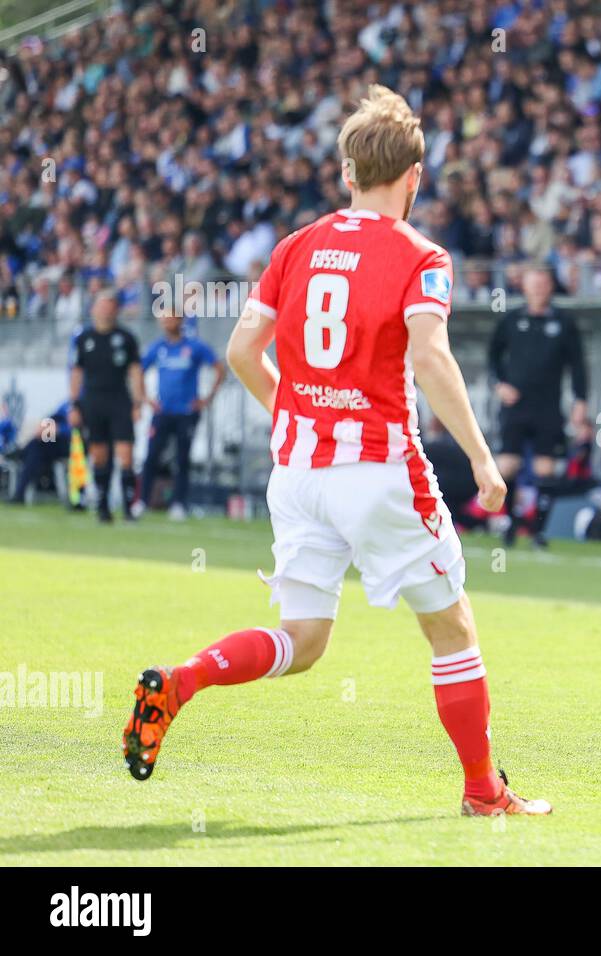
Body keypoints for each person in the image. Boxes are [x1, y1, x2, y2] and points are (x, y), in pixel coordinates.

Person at [120, 85, 550, 816]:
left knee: (303, 638)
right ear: (414, 176)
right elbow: (432, 358)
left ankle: (182, 679)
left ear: (346, 174)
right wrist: (480, 456)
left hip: (297, 474)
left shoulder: (295, 247)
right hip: (380, 471)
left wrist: (298, 413)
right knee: (451, 628)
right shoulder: (422, 256)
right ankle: (483, 791)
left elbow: (243, 352)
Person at [488, 266, 588, 547]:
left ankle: (538, 531)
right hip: (516, 406)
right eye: (534, 284)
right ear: (525, 287)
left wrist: (581, 399)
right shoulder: (511, 320)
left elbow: (578, 365)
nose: (539, 289)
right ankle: (509, 524)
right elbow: (493, 357)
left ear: (550, 287)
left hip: (548, 407)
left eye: (543, 284)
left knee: (546, 470)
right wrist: (500, 384)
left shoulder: (564, 322)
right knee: (507, 466)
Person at [137, 310, 226, 518]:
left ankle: (178, 504)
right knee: (151, 457)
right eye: (164, 318)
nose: (167, 322)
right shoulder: (158, 348)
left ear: (180, 320)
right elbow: (138, 370)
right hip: (162, 411)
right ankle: (141, 501)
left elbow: (219, 368)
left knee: (182, 458)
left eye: (171, 318)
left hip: (186, 412)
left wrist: (207, 398)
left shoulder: (194, 346)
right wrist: (145, 398)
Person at [69, 292, 144, 523]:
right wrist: (74, 404)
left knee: (125, 455)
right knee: (99, 455)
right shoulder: (84, 339)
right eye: (102, 305)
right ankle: (102, 507)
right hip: (93, 401)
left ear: (116, 310)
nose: (106, 310)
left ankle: (129, 508)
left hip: (120, 400)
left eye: (110, 306)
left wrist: (137, 402)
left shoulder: (126, 338)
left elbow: (134, 371)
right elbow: (77, 373)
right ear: (94, 309)